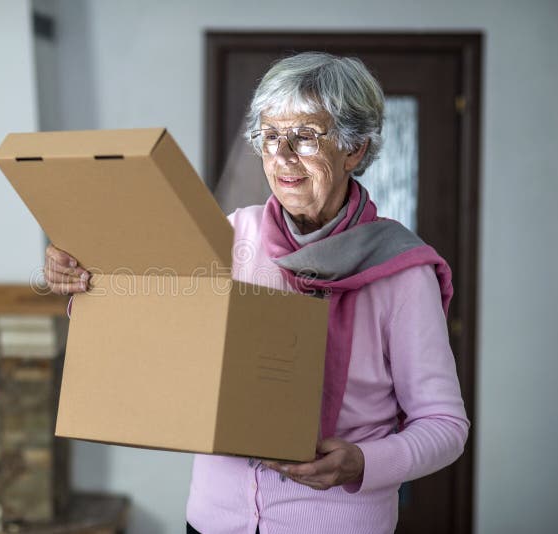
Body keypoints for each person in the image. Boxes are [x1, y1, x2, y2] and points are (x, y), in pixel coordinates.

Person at [43, 52, 469, 534]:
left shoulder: (401, 272)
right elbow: (151, 327)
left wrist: (363, 463)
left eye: (305, 137)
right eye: (270, 137)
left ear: (354, 149)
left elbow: (445, 427)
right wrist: (83, 280)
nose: (283, 157)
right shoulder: (230, 235)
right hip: (211, 520)